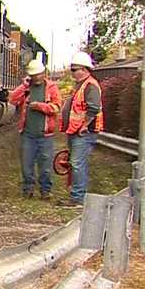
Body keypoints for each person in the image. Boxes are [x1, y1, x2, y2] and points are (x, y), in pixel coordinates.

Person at [7, 58, 61, 199]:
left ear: (43, 73)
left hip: (45, 134)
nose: (36, 77)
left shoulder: (52, 88)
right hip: (28, 134)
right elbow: (12, 99)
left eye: (38, 74)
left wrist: (40, 106)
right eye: (33, 75)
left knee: (45, 166)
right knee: (27, 164)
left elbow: (56, 108)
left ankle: (45, 191)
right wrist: (23, 86)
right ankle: (28, 189)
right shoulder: (26, 88)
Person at [59, 51, 104, 208]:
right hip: (76, 131)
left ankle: (78, 199)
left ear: (84, 69)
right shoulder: (81, 86)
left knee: (78, 163)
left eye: (75, 69)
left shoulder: (90, 86)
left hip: (84, 133)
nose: (72, 73)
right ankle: (76, 195)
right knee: (76, 163)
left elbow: (93, 108)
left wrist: (84, 126)